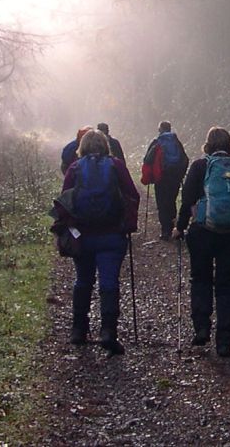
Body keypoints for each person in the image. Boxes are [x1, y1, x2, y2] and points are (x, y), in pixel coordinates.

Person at [50, 130, 140, 355]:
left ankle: (78, 330)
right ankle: (108, 332)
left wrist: (69, 228)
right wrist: (127, 224)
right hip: (111, 235)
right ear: (105, 145)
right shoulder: (116, 165)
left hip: (83, 236)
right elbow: (132, 195)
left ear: (82, 147)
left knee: (83, 280)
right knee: (109, 282)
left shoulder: (75, 168)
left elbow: (65, 200)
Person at [175, 127, 230, 358]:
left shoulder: (200, 166)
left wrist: (180, 226)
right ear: (229, 145)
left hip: (202, 232)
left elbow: (187, 200)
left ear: (207, 145)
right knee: (227, 285)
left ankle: (202, 326)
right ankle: (224, 340)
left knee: (200, 278)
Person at [140, 121, 189, 240]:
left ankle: (165, 231)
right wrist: (180, 175)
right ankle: (175, 229)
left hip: (160, 178)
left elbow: (147, 160)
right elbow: (185, 159)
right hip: (174, 179)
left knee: (162, 204)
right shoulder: (177, 142)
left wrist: (150, 176)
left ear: (160, 130)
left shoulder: (156, 142)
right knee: (171, 201)